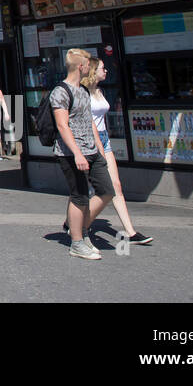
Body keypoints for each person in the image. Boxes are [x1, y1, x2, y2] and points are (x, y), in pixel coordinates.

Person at [51, 48, 115, 261]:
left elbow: (90, 122)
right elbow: (62, 125)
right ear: (81, 66)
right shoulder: (60, 91)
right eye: (88, 64)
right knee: (79, 196)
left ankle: (79, 228)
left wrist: (99, 148)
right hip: (71, 152)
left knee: (107, 190)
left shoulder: (84, 90)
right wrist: (77, 153)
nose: (90, 68)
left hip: (91, 149)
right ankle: (78, 241)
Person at [82, 57, 153, 245]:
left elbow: (101, 119)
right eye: (103, 68)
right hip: (91, 142)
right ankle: (76, 223)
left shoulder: (99, 90)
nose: (106, 71)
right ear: (93, 71)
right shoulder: (82, 93)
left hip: (104, 139)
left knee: (116, 186)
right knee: (101, 189)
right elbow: (87, 122)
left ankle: (131, 232)